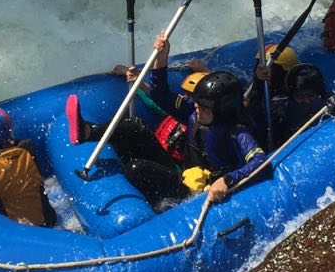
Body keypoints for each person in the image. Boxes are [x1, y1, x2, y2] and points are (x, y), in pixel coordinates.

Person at [68, 33, 268, 205]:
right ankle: (88, 131)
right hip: (182, 174)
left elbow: (260, 161)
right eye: (197, 101)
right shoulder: (194, 113)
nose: (196, 106)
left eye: (203, 105)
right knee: (132, 125)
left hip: (193, 190)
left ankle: (155, 208)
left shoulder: (237, 132)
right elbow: (161, 94)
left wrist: (227, 180)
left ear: (221, 111)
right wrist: (161, 58)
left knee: (137, 169)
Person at [246, 61, 335, 144]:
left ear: (318, 92)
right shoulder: (280, 106)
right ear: (292, 95)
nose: (306, 101)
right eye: (300, 97)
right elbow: (256, 114)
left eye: (311, 96)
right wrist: (258, 83)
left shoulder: (325, 102)